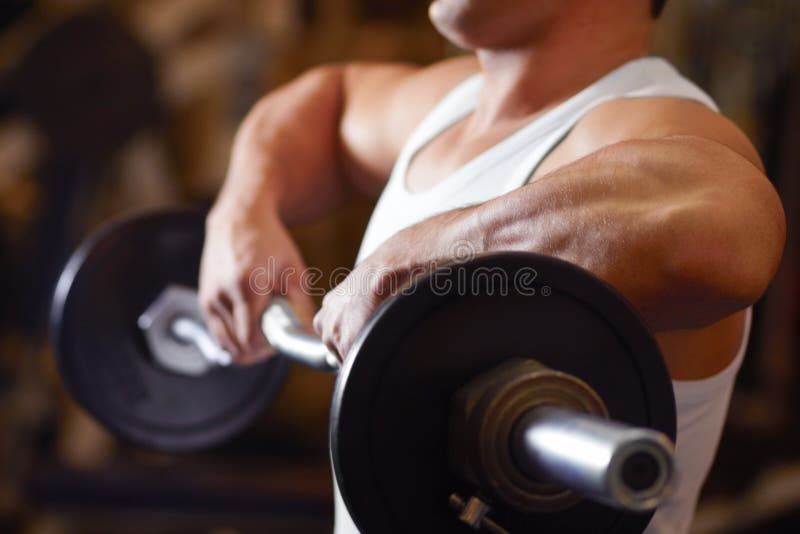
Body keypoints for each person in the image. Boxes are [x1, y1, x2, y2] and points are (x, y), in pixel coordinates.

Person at [198, 0, 786, 531]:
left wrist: (441, 250)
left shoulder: (650, 124)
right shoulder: (450, 106)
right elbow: (328, 101)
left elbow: (732, 232)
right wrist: (241, 211)